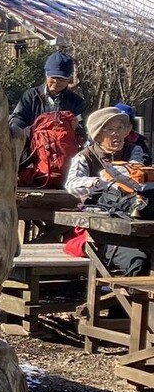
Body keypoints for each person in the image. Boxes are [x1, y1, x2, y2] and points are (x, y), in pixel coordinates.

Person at [64, 106, 150, 275]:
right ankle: (125, 299)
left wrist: (123, 176)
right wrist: (100, 182)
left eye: (120, 128)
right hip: (101, 229)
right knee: (138, 261)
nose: (116, 134)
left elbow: (136, 175)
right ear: (98, 134)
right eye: (110, 129)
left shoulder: (134, 150)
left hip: (136, 217)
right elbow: (71, 185)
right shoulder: (84, 157)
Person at [9, 51, 87, 138]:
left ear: (69, 79)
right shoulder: (31, 96)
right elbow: (17, 118)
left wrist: (77, 127)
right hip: (33, 146)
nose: (57, 82)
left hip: (64, 148)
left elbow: (86, 128)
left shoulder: (76, 102)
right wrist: (23, 130)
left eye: (62, 79)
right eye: (53, 77)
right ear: (46, 74)